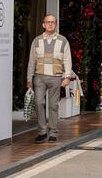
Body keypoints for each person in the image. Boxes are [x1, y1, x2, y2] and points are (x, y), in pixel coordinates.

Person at [26, 13, 73, 143]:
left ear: (56, 24)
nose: (50, 24)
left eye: (53, 22)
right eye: (48, 22)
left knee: (53, 106)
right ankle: (42, 132)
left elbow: (67, 60)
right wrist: (29, 79)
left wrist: (67, 77)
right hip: (39, 77)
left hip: (56, 77)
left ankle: (53, 132)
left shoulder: (63, 41)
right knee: (39, 103)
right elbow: (31, 61)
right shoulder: (37, 41)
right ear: (43, 25)